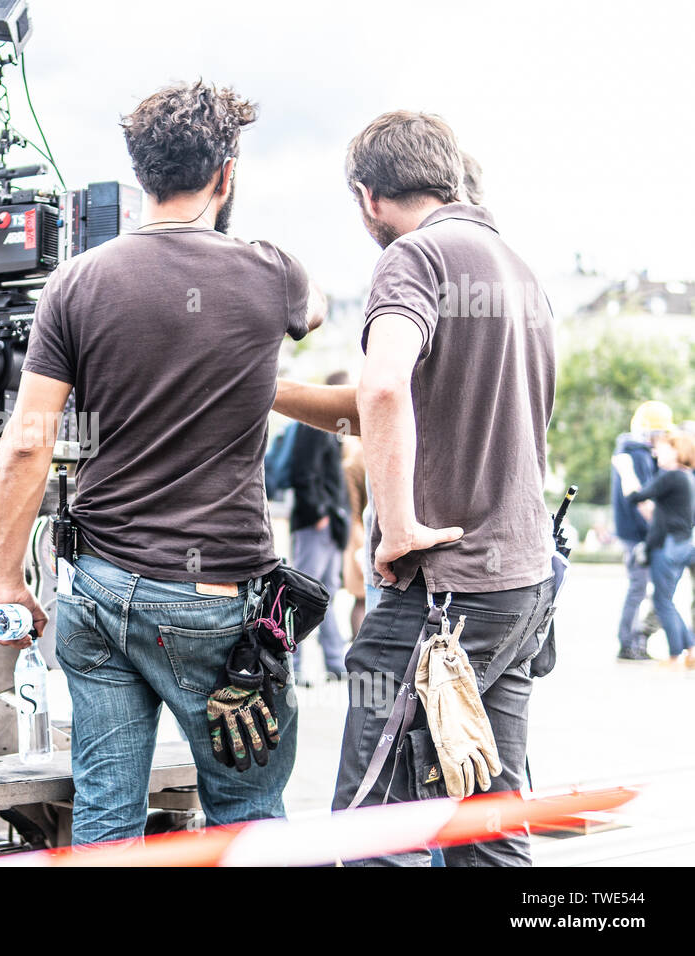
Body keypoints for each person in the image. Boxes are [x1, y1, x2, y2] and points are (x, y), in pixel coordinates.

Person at [0, 80, 321, 845]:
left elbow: (29, 441)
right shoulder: (273, 274)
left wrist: (7, 578)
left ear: (139, 173)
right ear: (226, 173)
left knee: (107, 818)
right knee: (246, 814)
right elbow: (318, 308)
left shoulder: (76, 283)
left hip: (97, 592)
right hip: (212, 602)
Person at [274, 110, 556, 866]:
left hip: (442, 594)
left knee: (375, 828)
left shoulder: (413, 259)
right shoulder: (517, 269)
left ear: (369, 197)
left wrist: (395, 528)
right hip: (519, 589)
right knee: (488, 826)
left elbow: (385, 390)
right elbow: (383, 404)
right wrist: (266, 387)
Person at [288, 371, 351, 682]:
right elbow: (302, 472)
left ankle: (335, 662)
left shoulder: (332, 427)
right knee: (303, 594)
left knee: (326, 595)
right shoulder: (312, 423)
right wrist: (319, 513)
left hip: (330, 526)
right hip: (316, 524)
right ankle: (292, 666)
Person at [624, 431, 695, 668]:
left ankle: (675, 655)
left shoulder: (672, 476)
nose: (655, 453)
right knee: (667, 601)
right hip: (680, 545)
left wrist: (625, 473)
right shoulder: (687, 477)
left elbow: (636, 496)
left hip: (666, 547)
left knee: (662, 601)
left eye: (661, 448)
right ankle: (690, 650)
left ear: (676, 450)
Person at [611, 401, 670, 660]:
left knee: (639, 588)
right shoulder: (639, 455)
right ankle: (628, 644)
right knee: (637, 588)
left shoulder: (629, 452)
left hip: (632, 532)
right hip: (637, 534)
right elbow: (643, 500)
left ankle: (632, 641)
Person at [341, 435, 368, 638]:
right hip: (362, 538)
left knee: (363, 600)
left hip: (364, 537)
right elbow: (354, 512)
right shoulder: (356, 462)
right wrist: (361, 547)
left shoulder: (354, 459)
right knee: (363, 599)